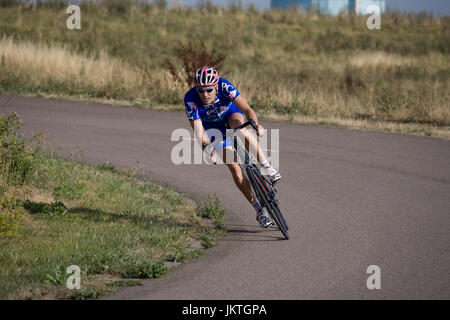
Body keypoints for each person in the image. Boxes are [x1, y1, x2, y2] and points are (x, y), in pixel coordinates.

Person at [184, 66, 281, 228]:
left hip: (231, 115)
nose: (205, 94)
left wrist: (256, 125)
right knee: (235, 168)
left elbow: (247, 109)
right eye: (201, 91)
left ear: (216, 86)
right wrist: (208, 149)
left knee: (241, 130)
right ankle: (259, 210)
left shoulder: (224, 86)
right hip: (214, 128)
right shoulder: (190, 99)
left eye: (208, 90)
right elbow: (199, 131)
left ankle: (267, 167)